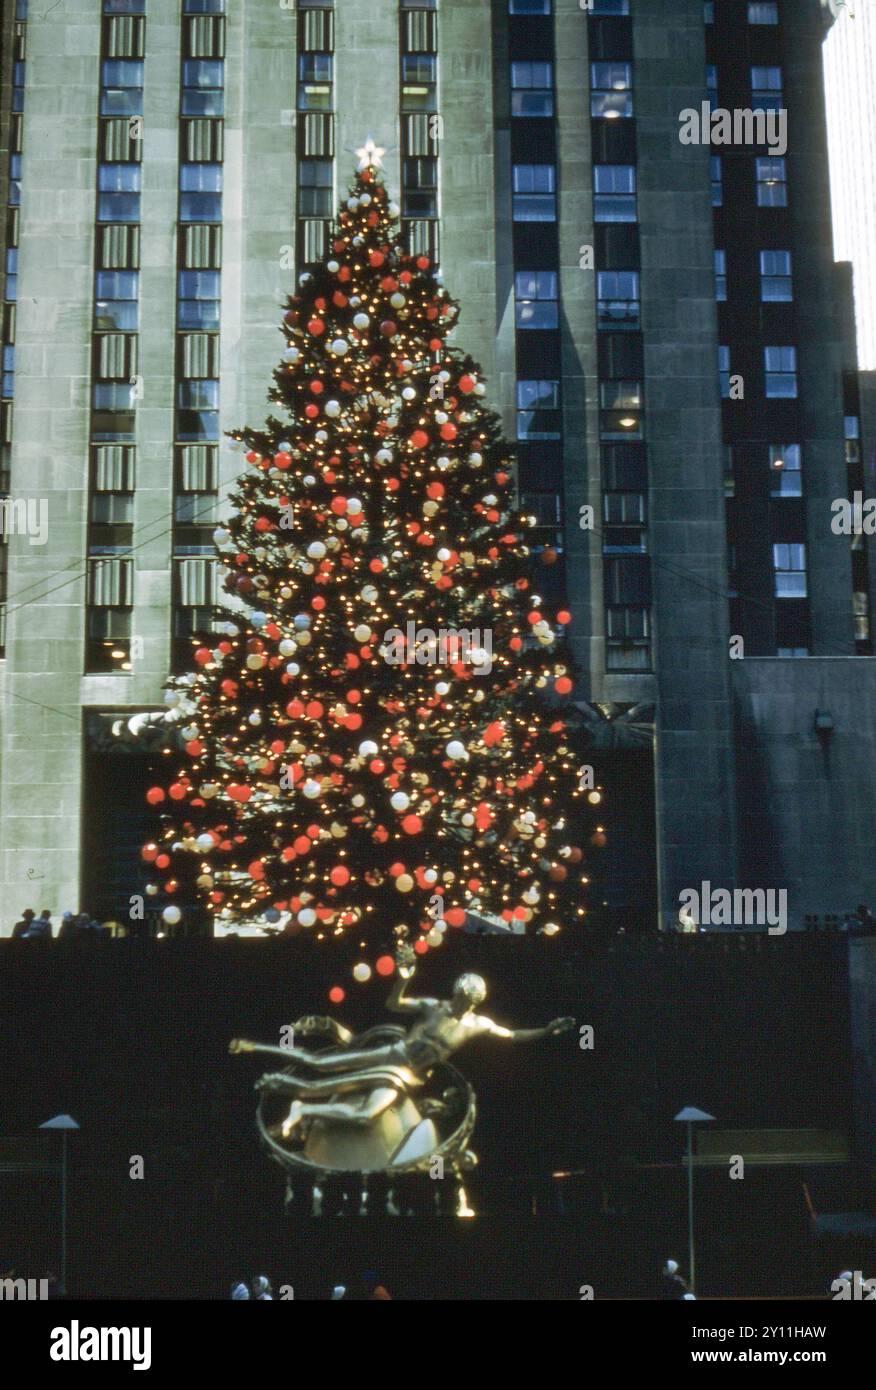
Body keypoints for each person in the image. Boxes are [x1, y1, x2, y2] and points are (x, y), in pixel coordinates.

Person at [241, 964, 575, 1135]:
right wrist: (403, 977)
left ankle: (303, 1109)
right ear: (456, 993)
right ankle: (257, 1047)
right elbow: (394, 1003)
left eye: (467, 1000)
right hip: (395, 1054)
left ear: (474, 1002)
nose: (461, 1002)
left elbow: (512, 1036)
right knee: (322, 1063)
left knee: (363, 1117)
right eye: (460, 996)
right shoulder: (434, 1006)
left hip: (408, 1076)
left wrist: (546, 1030)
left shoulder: (478, 1025)